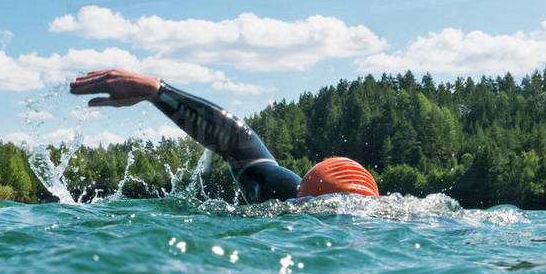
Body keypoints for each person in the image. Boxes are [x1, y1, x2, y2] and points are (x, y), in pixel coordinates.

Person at [70, 69, 379, 204]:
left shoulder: (282, 195)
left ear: (299, 193)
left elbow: (236, 140)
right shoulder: (399, 219)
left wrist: (158, 91)